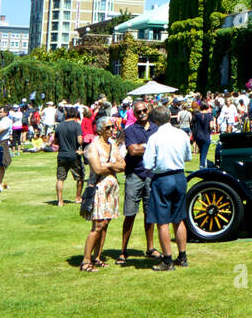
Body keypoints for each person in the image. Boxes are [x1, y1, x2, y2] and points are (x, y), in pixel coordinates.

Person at [143, 105, 191, 271]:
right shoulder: (182, 134)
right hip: (179, 176)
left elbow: (148, 164)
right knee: (179, 219)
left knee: (162, 221)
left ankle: (168, 260)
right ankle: (182, 256)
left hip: (163, 178)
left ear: (155, 120)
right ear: (170, 116)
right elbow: (188, 157)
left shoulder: (155, 138)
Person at [80, 117, 125, 272]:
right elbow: (97, 169)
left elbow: (123, 165)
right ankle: (86, 261)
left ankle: (97, 257)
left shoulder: (113, 145)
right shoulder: (93, 147)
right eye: (108, 127)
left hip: (111, 190)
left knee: (105, 224)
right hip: (99, 189)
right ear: (100, 130)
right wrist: (114, 166)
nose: (112, 129)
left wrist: (110, 165)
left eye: (113, 126)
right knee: (97, 225)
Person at [118, 100, 158, 264]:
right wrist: (150, 147)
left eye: (144, 111)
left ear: (148, 111)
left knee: (150, 213)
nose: (141, 113)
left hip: (151, 175)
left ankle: (150, 248)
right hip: (135, 174)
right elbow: (133, 151)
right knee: (130, 213)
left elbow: (156, 148)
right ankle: (123, 251)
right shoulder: (130, 130)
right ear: (134, 114)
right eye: (138, 112)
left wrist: (143, 146)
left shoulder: (156, 128)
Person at [55, 106, 85, 207]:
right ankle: (78, 198)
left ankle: (60, 201)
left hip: (62, 155)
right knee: (79, 177)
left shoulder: (59, 126)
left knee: (60, 178)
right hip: (74, 155)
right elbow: (80, 140)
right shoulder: (76, 125)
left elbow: (55, 141)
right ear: (75, 114)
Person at [190, 99, 214, 170]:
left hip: (198, 136)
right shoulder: (210, 116)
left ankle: (202, 164)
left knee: (201, 151)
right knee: (204, 152)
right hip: (206, 135)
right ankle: (202, 165)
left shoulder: (197, 115)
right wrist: (212, 129)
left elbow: (192, 122)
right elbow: (211, 126)